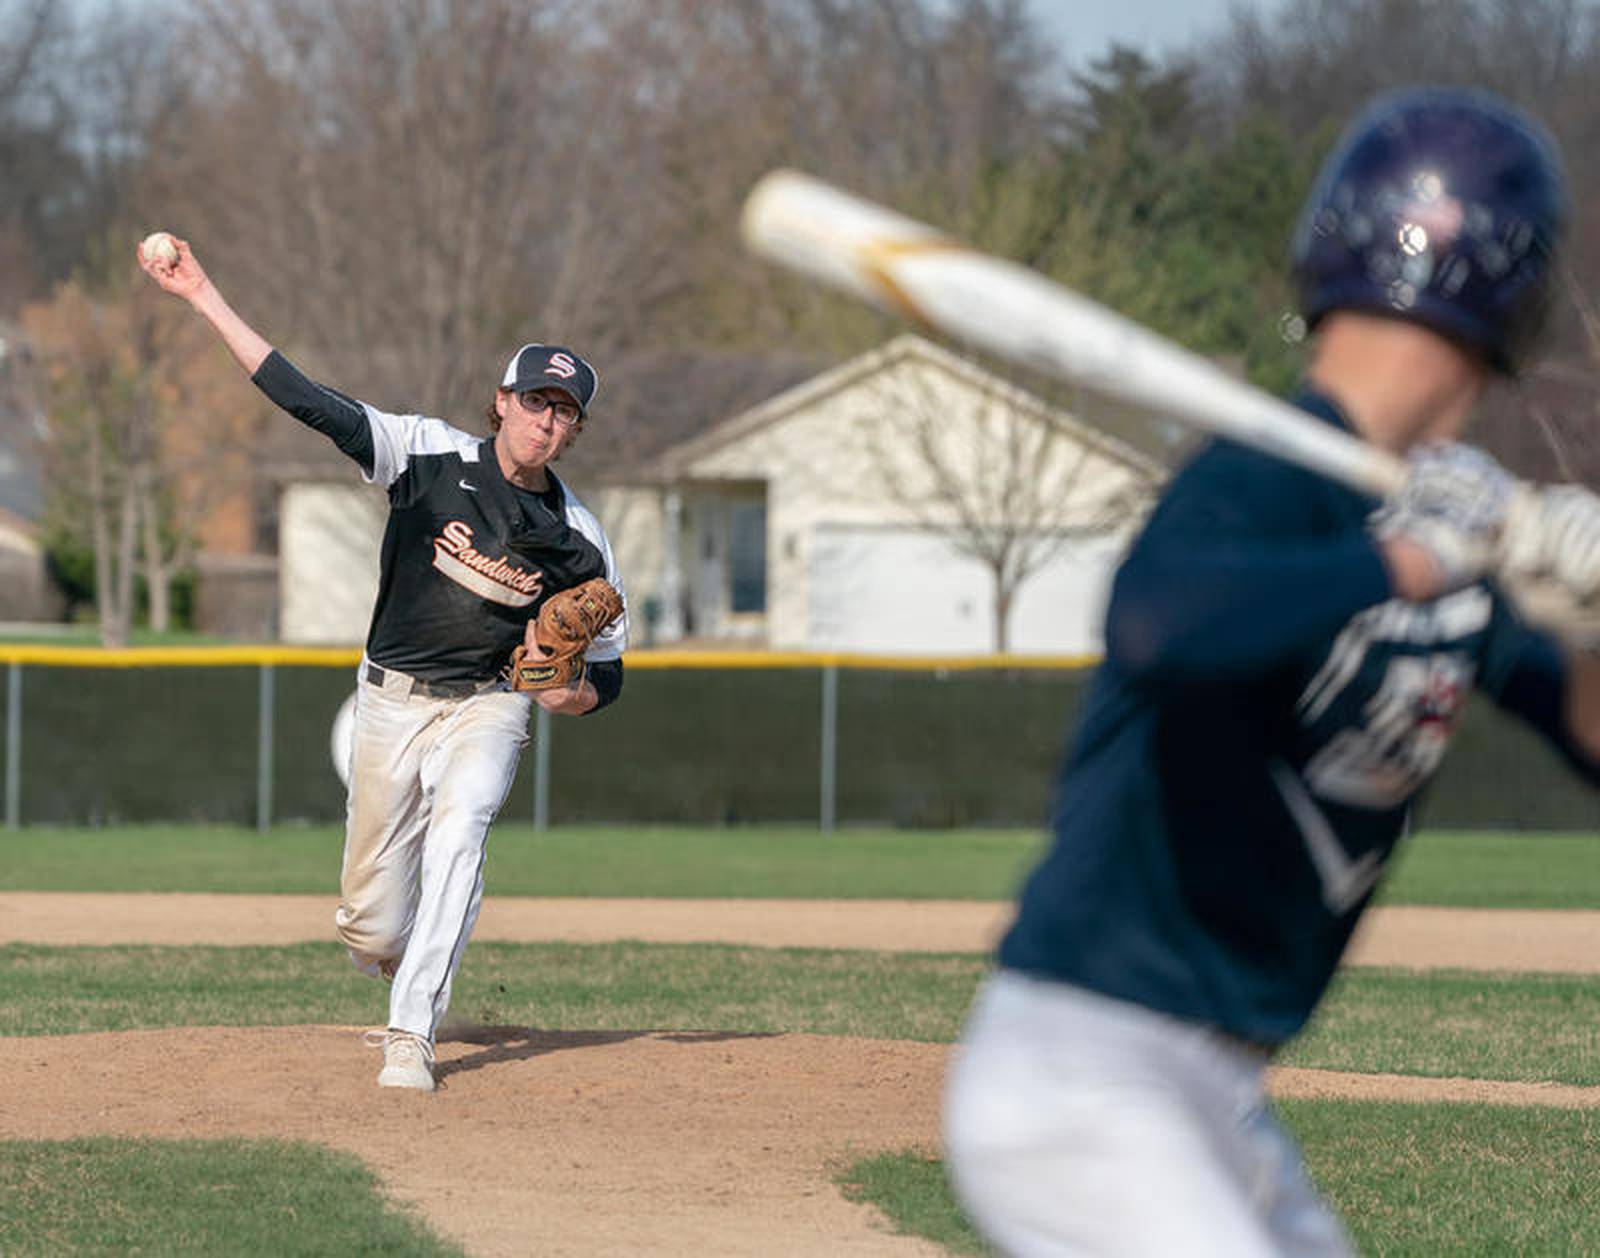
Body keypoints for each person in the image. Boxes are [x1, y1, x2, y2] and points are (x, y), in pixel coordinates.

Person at [942, 86, 1600, 1255]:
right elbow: (1158, 622)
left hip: (1214, 1092)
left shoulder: (1458, 526)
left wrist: (1582, 614)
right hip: (1084, 1069)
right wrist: (1405, 558)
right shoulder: (1257, 482)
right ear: (1523, 294)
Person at [140, 240, 627, 1093]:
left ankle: (413, 1032)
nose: (548, 421)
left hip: (488, 703)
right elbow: (308, 401)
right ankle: (396, 956)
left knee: (464, 828)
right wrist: (204, 295)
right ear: (502, 402)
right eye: (536, 402)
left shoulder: (583, 540)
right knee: (370, 925)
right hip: (390, 703)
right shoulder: (427, 453)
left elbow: (612, 674)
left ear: (576, 428)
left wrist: (572, 693)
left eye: (566, 411)